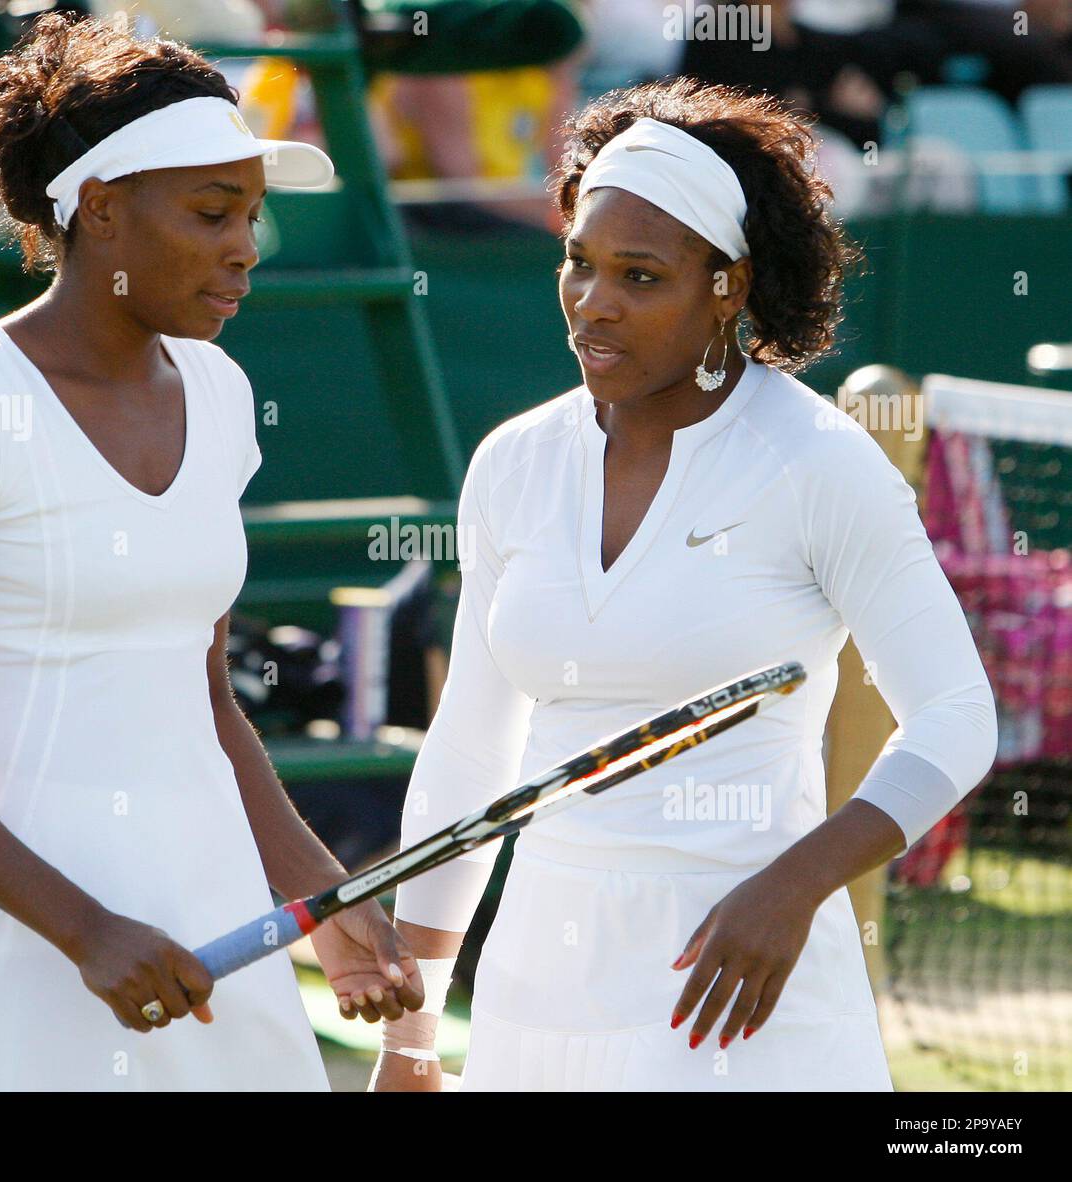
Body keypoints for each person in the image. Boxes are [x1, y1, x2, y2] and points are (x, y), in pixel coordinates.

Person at [0, 13, 421, 1091]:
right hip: (2, 962)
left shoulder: (223, 395)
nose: (246, 244)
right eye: (211, 211)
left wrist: (318, 894)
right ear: (99, 209)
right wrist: (87, 930)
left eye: (253, 213)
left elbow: (204, 695)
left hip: (206, 934)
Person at [372, 77, 998, 1092]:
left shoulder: (821, 463)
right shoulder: (511, 463)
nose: (594, 303)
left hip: (745, 988)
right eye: (578, 264)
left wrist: (792, 888)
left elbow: (956, 716)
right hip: (541, 976)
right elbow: (470, 749)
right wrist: (411, 1034)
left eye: (639, 276)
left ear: (728, 286)